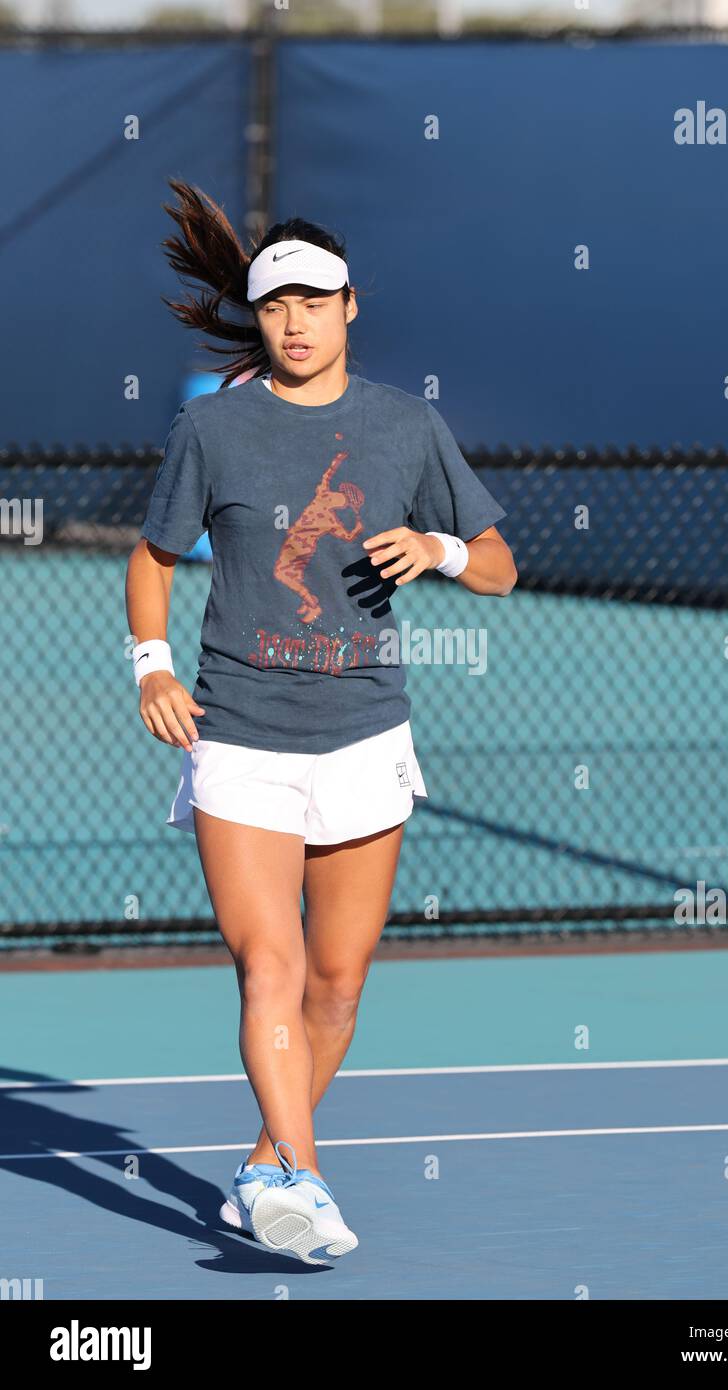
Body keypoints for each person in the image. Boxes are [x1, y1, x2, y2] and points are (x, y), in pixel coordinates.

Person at [125, 179, 517, 1265]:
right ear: (257, 317)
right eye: (275, 304)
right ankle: (299, 1174)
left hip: (364, 740)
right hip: (240, 736)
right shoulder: (211, 428)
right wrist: (152, 667)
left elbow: (497, 567)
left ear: (351, 306)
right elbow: (151, 559)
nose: (294, 321)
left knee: (337, 982)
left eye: (314, 299)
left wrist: (436, 549)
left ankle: (261, 1165)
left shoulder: (406, 424)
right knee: (270, 965)